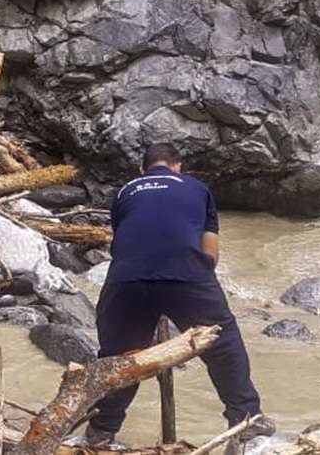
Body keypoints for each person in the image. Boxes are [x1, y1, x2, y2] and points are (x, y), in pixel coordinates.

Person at [84, 143, 275, 446]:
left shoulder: (125, 192)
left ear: (142, 171)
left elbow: (124, 241)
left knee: (118, 357)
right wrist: (194, 288)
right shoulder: (197, 188)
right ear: (178, 166)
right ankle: (246, 418)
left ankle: (100, 432)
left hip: (126, 278)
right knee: (222, 341)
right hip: (184, 272)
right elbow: (210, 251)